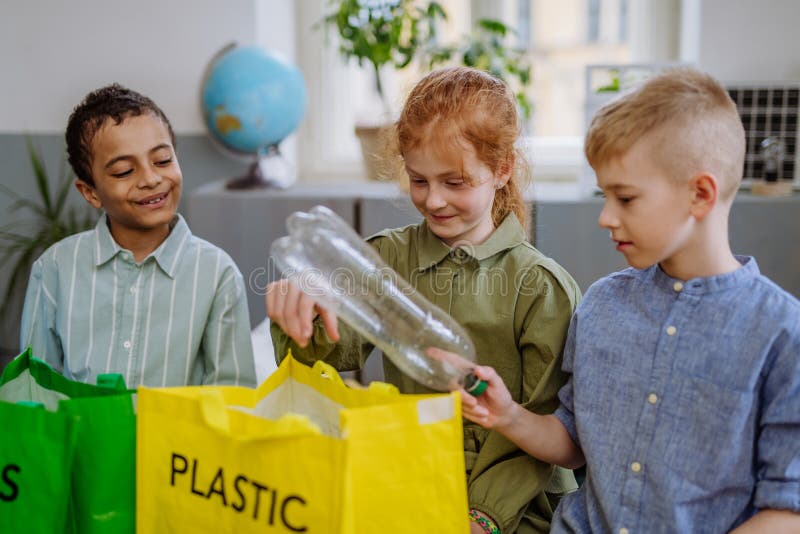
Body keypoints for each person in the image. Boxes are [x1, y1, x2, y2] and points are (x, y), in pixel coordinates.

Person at [460, 68, 800, 533]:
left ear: (700, 194)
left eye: (626, 198)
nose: (605, 217)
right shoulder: (601, 305)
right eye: (605, 195)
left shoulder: (781, 333)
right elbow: (574, 441)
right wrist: (508, 415)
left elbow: (787, 509)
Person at [267, 67, 582, 533]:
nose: (433, 201)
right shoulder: (388, 257)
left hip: (515, 507)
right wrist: (305, 316)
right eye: (419, 181)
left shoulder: (539, 287)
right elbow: (329, 356)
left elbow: (549, 426)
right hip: (412, 481)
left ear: (502, 171)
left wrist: (482, 516)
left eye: (454, 183)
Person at [20, 84, 257, 388]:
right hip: (81, 437)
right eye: (123, 171)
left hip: (179, 437)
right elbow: (33, 391)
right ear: (91, 192)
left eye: (162, 161)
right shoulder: (55, 269)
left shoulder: (216, 274)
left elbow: (232, 394)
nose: (151, 179)